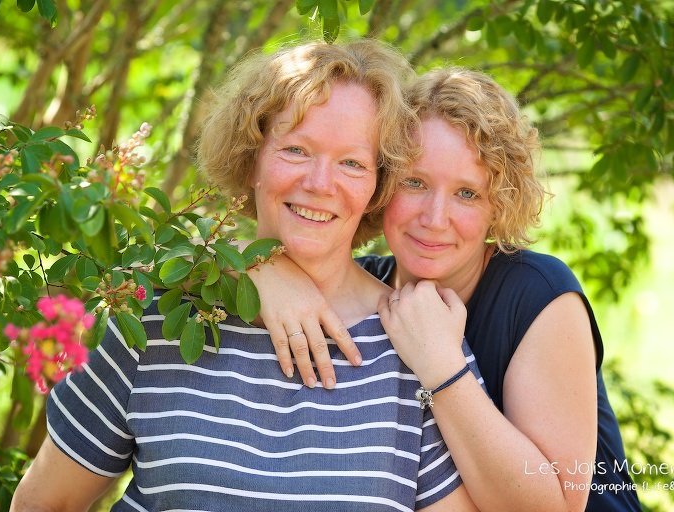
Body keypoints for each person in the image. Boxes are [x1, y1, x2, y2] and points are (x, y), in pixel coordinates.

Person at [10, 40, 485, 511]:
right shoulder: (157, 314)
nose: (320, 184)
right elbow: (44, 503)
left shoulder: (418, 345)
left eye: (352, 163)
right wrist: (248, 262)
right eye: (297, 149)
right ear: (251, 154)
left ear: (378, 184)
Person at [249, 68, 642, 511]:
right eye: (414, 183)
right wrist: (257, 266)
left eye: (467, 194)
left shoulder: (540, 296)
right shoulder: (364, 287)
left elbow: (557, 507)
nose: (435, 218)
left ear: (499, 206)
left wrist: (441, 367)